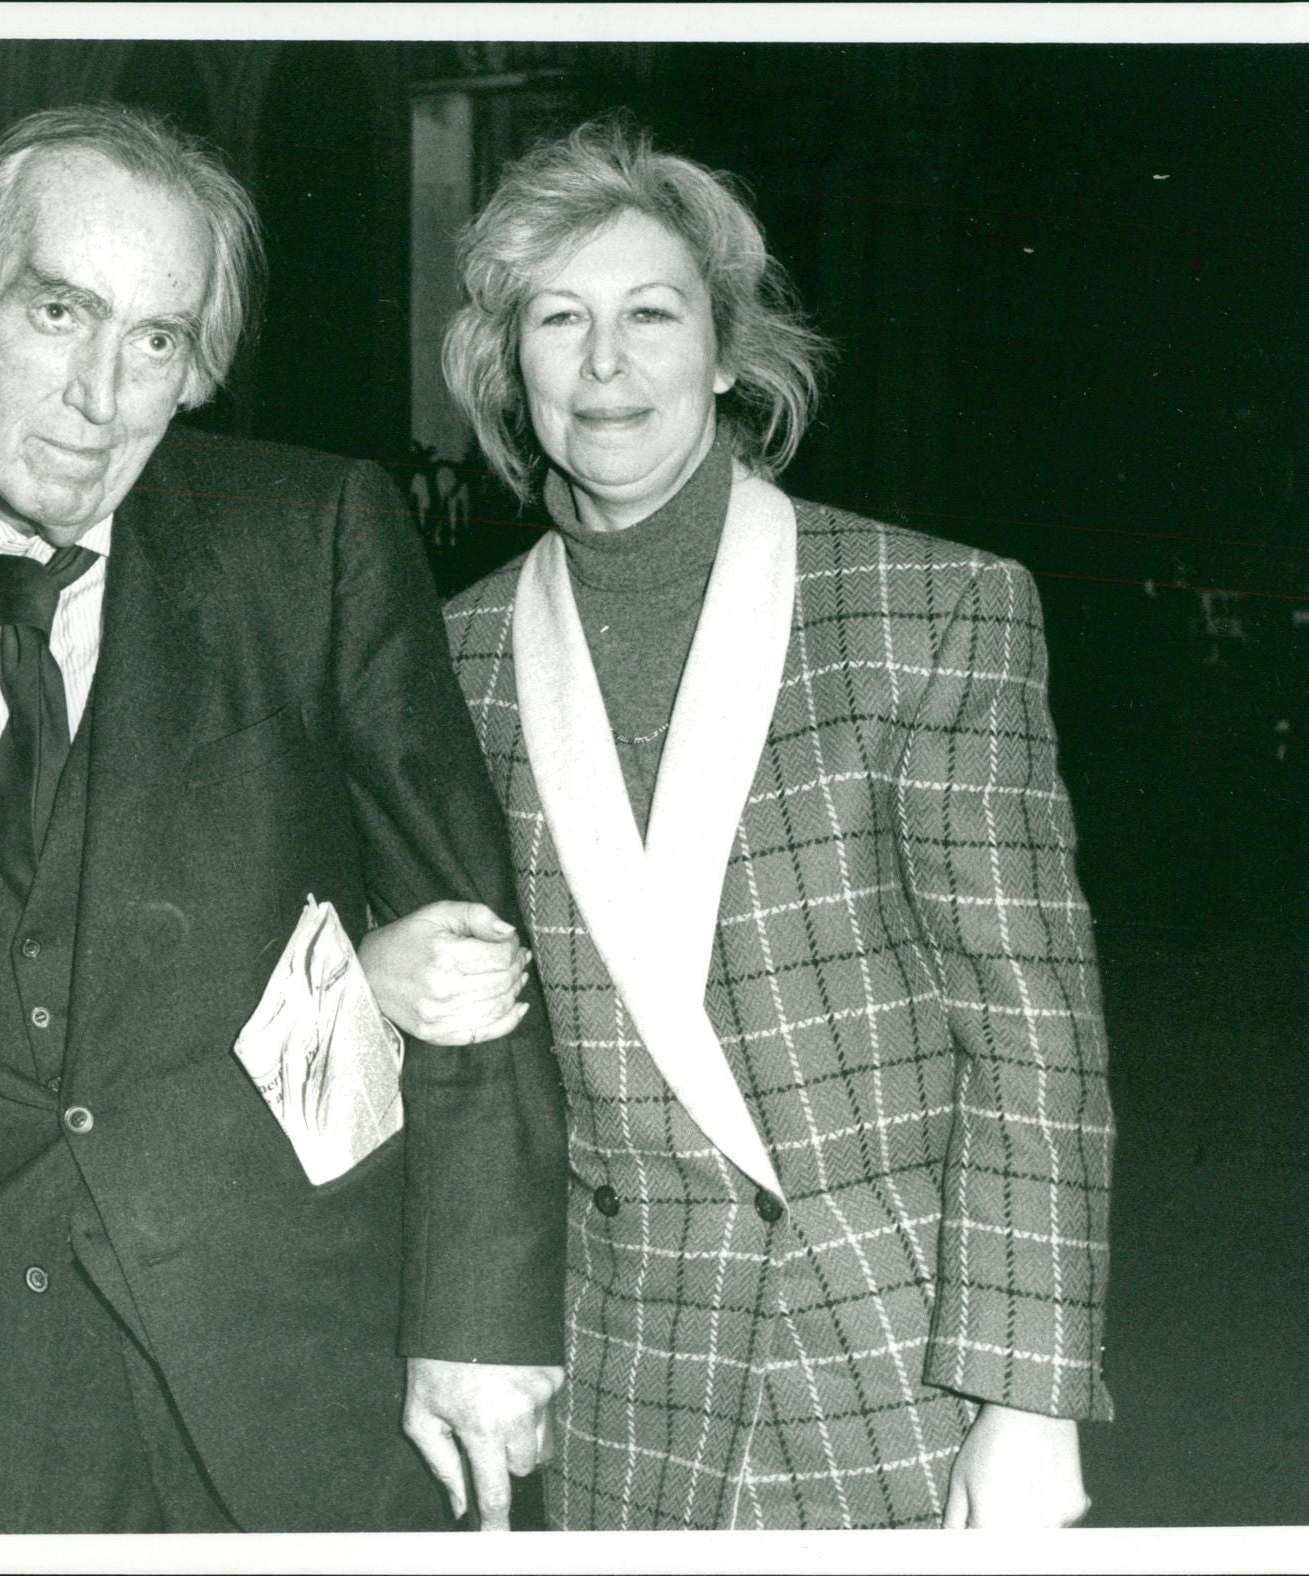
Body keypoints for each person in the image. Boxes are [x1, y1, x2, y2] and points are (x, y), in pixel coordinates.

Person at [0, 101, 566, 1535]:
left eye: (157, 341)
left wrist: (480, 1324)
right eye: (60, 311)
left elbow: (478, 957)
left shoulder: (313, 550)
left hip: (295, 1383)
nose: (99, 395)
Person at [374, 115, 1115, 1530]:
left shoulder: (926, 613)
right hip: (615, 1380)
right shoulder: (451, 659)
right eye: (558, 320)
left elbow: (1035, 1039)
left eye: (651, 315)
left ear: (724, 355)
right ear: (504, 366)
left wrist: (1028, 1400)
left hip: (897, 1364)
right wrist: (377, 962)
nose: (605, 366)